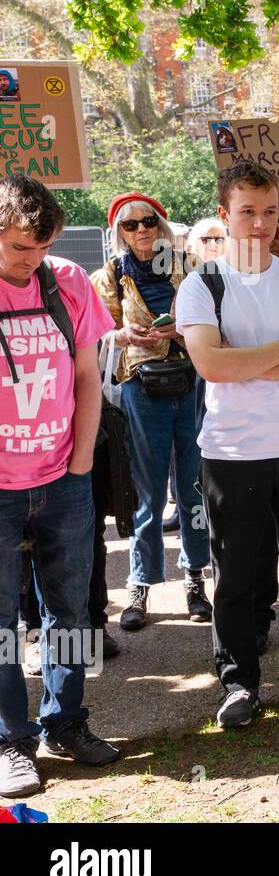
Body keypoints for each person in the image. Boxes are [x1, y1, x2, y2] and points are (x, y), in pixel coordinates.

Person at [177, 161, 279, 729]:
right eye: (247, 212)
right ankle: (239, 682)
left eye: (270, 212)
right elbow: (212, 367)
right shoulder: (202, 285)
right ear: (225, 215)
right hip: (231, 453)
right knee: (238, 575)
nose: (260, 224)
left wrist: (247, 360)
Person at [1, 175, 121, 798]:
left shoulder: (68, 283)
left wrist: (79, 466)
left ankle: (65, 721)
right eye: (22, 249)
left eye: (43, 248)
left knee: (71, 611)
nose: (34, 261)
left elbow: (84, 377)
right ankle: (7, 740)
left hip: (63, 478)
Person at [91, 192, 211, 631]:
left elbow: (214, 317)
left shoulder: (191, 266)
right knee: (148, 493)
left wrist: (186, 330)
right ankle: (139, 587)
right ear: (119, 233)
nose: (141, 230)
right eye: (130, 225)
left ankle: (195, 580)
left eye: (148, 221)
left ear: (160, 224)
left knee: (192, 488)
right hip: (142, 388)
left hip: (190, 382)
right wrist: (121, 335)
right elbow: (97, 332)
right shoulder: (108, 275)